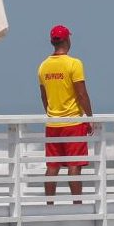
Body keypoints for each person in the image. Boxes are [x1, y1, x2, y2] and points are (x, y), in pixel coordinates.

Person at [37, 24, 94, 204]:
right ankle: (77, 205)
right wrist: (90, 118)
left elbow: (44, 98)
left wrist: (52, 113)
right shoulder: (74, 64)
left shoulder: (43, 66)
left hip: (52, 124)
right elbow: (82, 94)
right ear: (67, 40)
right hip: (72, 123)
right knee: (74, 166)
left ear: (52, 42)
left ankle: (49, 205)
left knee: (52, 166)